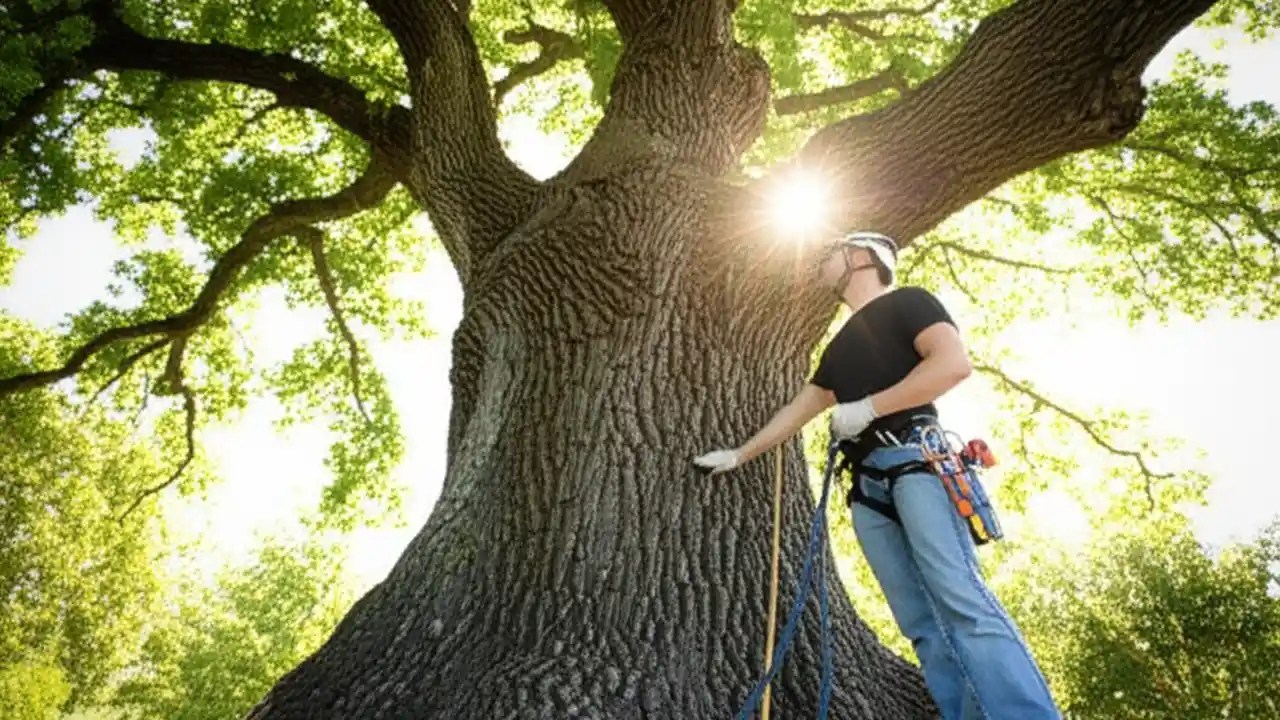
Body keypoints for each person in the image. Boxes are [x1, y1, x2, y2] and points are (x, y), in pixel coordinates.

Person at [692, 232, 1061, 720]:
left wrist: (870, 407)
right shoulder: (838, 349)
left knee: (961, 599)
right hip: (867, 493)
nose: (823, 259)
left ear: (862, 258)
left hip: (916, 462)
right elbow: (801, 409)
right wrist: (741, 454)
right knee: (922, 626)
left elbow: (952, 365)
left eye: (833, 252)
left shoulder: (909, 303)